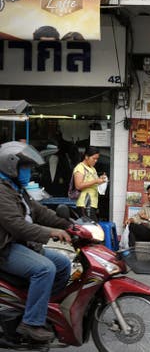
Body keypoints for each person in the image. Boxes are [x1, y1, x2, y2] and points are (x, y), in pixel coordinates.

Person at [0, 141, 71, 343]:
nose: (29, 173)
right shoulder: (1, 191)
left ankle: (43, 311)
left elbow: (39, 212)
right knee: (45, 269)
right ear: (11, 165)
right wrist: (51, 232)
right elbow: (17, 226)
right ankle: (31, 323)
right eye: (25, 167)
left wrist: (69, 224)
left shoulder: (16, 189)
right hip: (6, 248)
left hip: (21, 245)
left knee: (63, 264)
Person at [72, 146, 107, 220]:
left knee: (92, 228)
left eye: (97, 159)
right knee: (92, 228)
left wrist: (100, 180)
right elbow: (78, 186)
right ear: (86, 157)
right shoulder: (80, 167)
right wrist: (95, 181)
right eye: (93, 158)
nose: (95, 161)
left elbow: (93, 183)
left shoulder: (92, 169)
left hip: (92, 204)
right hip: (85, 204)